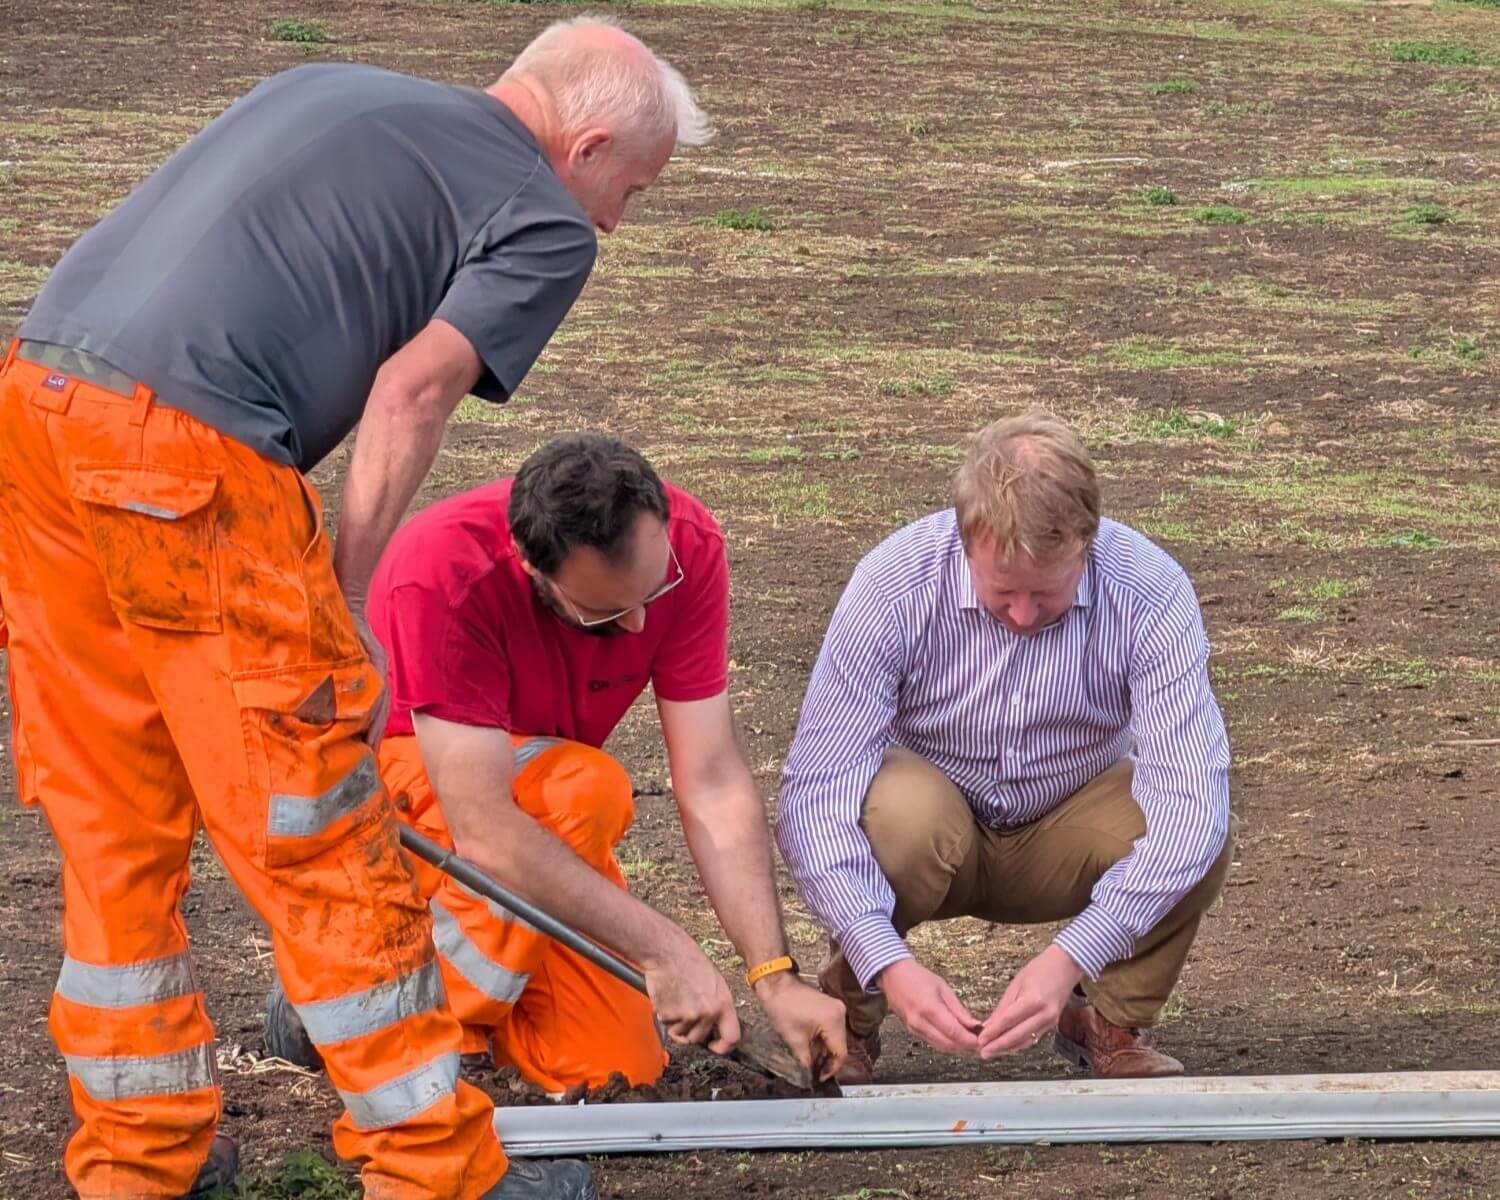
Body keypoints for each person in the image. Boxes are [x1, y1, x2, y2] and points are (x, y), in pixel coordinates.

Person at [0, 16, 707, 1198]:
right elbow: (410, 390)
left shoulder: (329, 86)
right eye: (629, 191)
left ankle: (137, 1158)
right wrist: (349, 592)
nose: (612, 223)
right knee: (321, 817)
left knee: (112, 807)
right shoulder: (537, 212)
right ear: (583, 145)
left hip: (36, 406)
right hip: (192, 457)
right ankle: (432, 1170)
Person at [268, 434, 847, 1092]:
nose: (635, 630)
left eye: (651, 596)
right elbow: (484, 828)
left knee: (617, 1070)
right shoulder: (442, 572)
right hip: (419, 815)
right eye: (603, 613)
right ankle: (392, 1015)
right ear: (530, 567)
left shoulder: (688, 548)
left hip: (539, 825)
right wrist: (663, 948)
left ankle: (399, 1002)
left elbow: (712, 781)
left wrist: (773, 975)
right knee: (584, 789)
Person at [776, 410, 1232, 1084]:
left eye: (1046, 593)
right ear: (966, 541)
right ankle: (850, 1019)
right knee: (897, 815)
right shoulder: (893, 583)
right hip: (933, 825)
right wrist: (886, 960)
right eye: (1002, 592)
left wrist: (1074, 954)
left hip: (1068, 823)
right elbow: (815, 794)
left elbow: (1192, 807)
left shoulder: (1149, 590)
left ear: (1088, 541)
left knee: (1198, 826)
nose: (1023, 616)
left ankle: (1107, 1017)